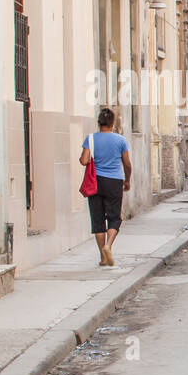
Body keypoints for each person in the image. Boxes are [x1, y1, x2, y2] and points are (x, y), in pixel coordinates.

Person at [79, 108, 132, 267]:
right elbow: (127, 164)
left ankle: (103, 255)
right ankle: (109, 245)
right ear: (112, 123)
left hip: (96, 182)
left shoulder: (90, 139)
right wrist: (127, 180)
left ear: (99, 122)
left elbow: (84, 160)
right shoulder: (120, 140)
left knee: (98, 218)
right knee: (114, 217)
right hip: (114, 181)